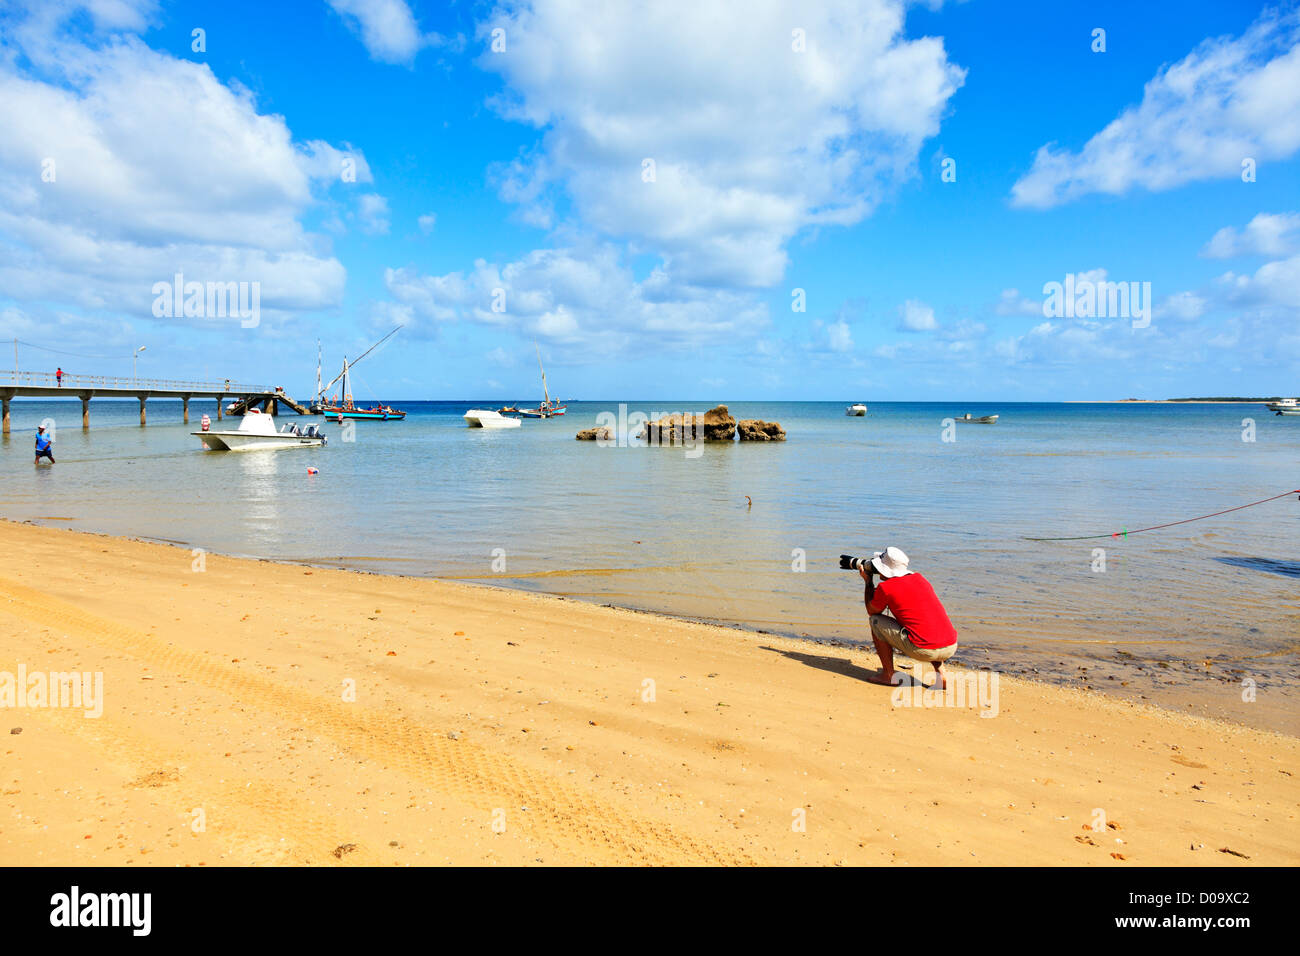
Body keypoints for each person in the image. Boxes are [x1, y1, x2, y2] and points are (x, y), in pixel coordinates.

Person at [861, 546, 958, 689]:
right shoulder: (920, 579)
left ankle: (888, 675)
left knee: (875, 621)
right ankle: (941, 672)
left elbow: (871, 610)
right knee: (926, 625)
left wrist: (868, 582)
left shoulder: (886, 587)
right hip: (950, 646)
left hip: (923, 649)